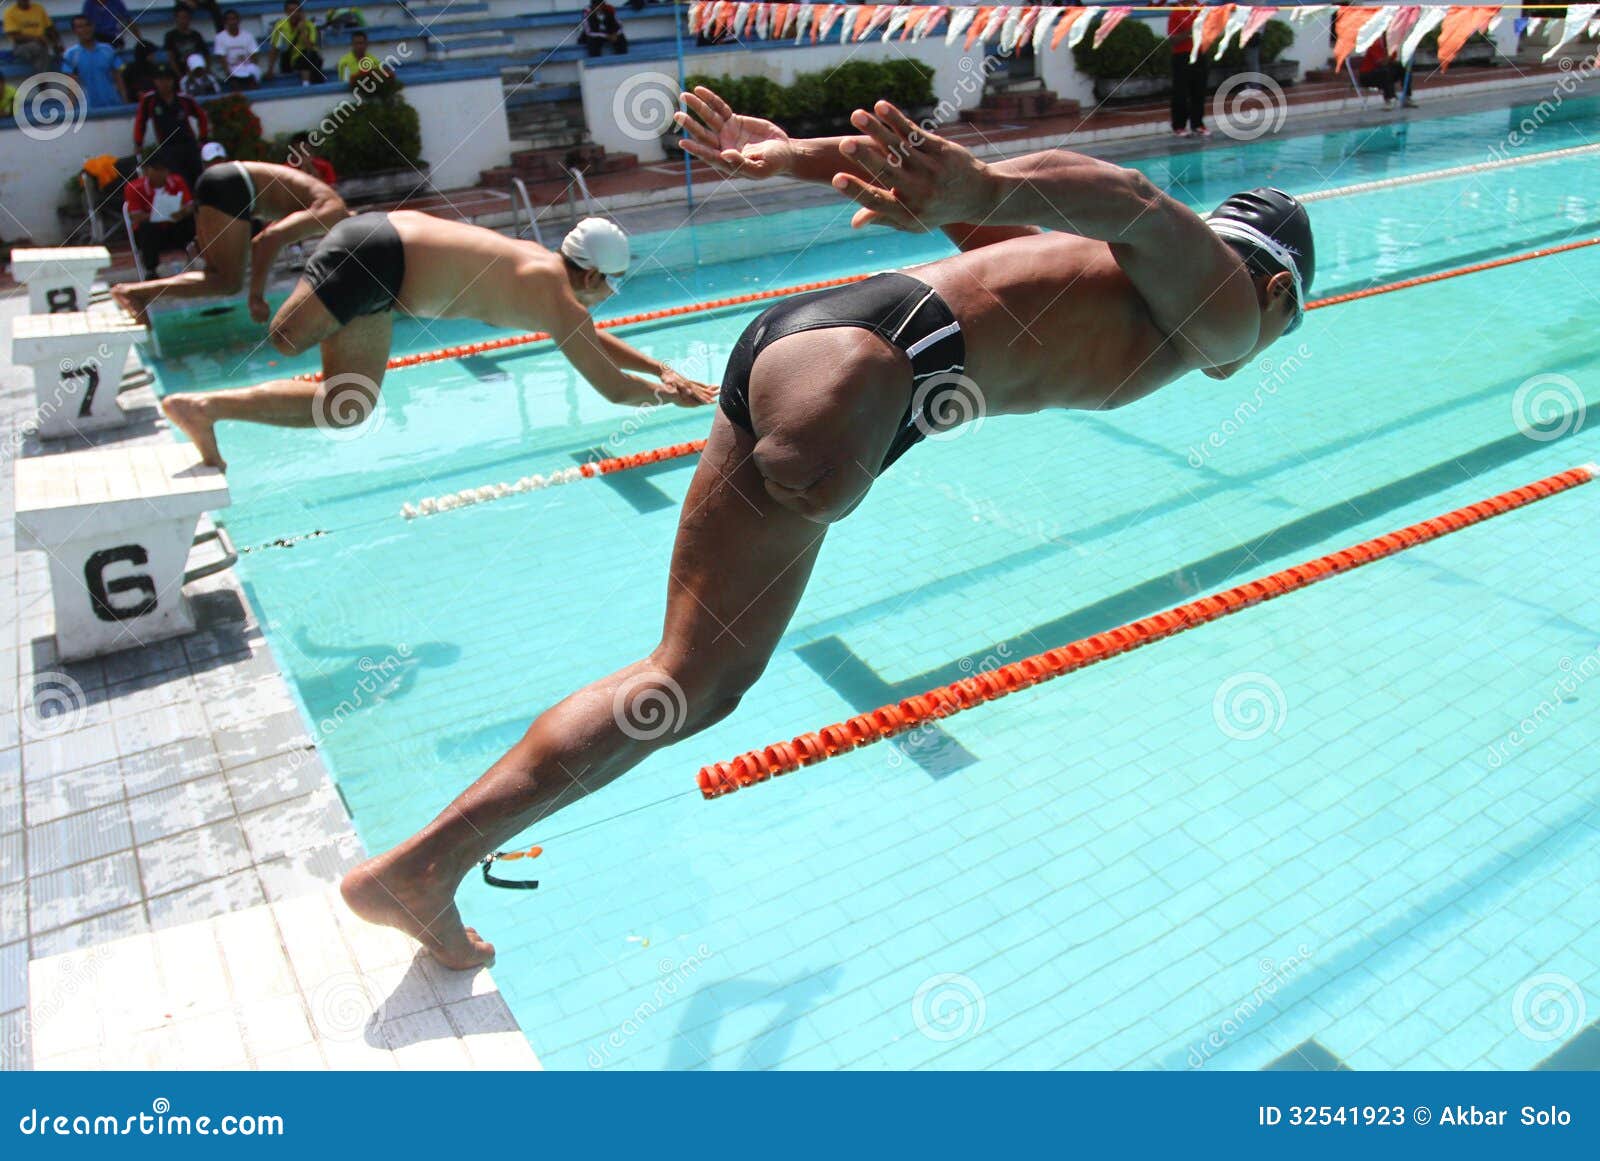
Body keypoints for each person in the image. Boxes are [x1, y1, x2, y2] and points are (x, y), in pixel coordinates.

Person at [338, 86, 1317, 969]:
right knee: (694, 680)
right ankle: (425, 865)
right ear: (1277, 290)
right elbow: (1135, 197)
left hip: (808, 346)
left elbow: (917, 184)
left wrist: (787, 154)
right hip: (865, 378)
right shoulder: (1231, 313)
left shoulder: (1099, 273)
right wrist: (984, 179)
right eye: (1286, 324)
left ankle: (424, 866)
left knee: (689, 680)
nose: (1261, 343)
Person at [161, 215, 718, 470]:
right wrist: (671, 398)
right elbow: (614, 390)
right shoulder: (555, 295)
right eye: (610, 286)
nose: (606, 297)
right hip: (374, 252)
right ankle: (286, 235)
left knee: (346, 405)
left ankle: (204, 409)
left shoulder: (548, 274)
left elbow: (588, 338)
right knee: (285, 340)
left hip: (382, 283)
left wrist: (662, 369)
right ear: (592, 275)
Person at [110, 158, 347, 325]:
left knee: (218, 277)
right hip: (235, 187)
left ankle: (136, 293)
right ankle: (136, 293)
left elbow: (269, 235)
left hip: (224, 183)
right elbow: (267, 240)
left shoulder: (328, 205)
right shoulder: (333, 212)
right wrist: (256, 296)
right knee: (229, 282)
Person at [133, 64, 208, 185]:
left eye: (167, 79)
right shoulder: (149, 100)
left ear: (173, 81)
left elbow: (202, 117)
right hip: (167, 147)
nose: (164, 83)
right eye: (160, 80)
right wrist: (138, 143)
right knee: (178, 181)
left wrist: (203, 138)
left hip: (189, 145)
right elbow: (140, 121)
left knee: (198, 179)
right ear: (155, 81)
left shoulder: (184, 99)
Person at [124, 150, 195, 275]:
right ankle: (152, 271)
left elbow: (190, 205)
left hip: (174, 227)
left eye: (164, 169)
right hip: (151, 233)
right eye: (156, 169)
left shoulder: (177, 181)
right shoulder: (134, 188)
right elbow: (136, 216)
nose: (160, 173)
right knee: (147, 227)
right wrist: (160, 215)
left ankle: (198, 259)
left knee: (191, 220)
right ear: (146, 171)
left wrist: (182, 212)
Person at [62, 14, 125, 107]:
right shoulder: (70, 55)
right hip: (88, 109)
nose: (85, 29)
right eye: (80, 27)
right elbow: (72, 87)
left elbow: (119, 80)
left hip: (113, 105)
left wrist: (125, 102)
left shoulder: (108, 50)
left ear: (93, 27)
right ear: (74, 31)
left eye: (88, 25)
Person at [1167, 5, 1208, 138]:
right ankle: (1179, 126)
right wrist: (1190, 31)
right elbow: (1172, 40)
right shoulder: (1176, 13)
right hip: (1182, 56)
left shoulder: (1201, 10)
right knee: (1180, 92)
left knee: (1199, 90)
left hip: (1199, 54)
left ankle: (1197, 124)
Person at [266, 0, 323, 84]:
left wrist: (302, 31)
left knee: (306, 58)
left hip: (310, 56)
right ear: (286, 12)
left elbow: (310, 48)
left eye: (296, 11)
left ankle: (306, 84)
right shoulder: (281, 25)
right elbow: (275, 48)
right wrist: (270, 69)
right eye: (290, 11)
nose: (293, 14)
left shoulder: (309, 25)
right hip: (293, 57)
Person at [4, 0, 61, 75]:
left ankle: (42, 77)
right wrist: (37, 39)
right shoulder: (10, 12)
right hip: (21, 47)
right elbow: (15, 37)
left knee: (43, 49)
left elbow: (49, 28)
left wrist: (56, 44)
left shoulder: (38, 8)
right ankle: (43, 78)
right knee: (38, 47)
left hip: (41, 44)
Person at [213, 8, 260, 89]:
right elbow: (221, 57)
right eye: (229, 20)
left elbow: (254, 54)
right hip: (231, 67)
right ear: (225, 22)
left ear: (238, 20)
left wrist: (247, 63)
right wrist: (228, 72)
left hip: (246, 66)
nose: (232, 22)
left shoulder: (248, 35)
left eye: (234, 19)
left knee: (254, 70)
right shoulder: (220, 37)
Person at [163, 5, 207, 71]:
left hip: (196, 71)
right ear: (176, 18)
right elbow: (171, 58)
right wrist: (179, 75)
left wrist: (206, 70)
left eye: (186, 17)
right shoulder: (170, 36)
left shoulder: (196, 35)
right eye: (181, 18)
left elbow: (206, 54)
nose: (183, 20)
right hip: (179, 70)